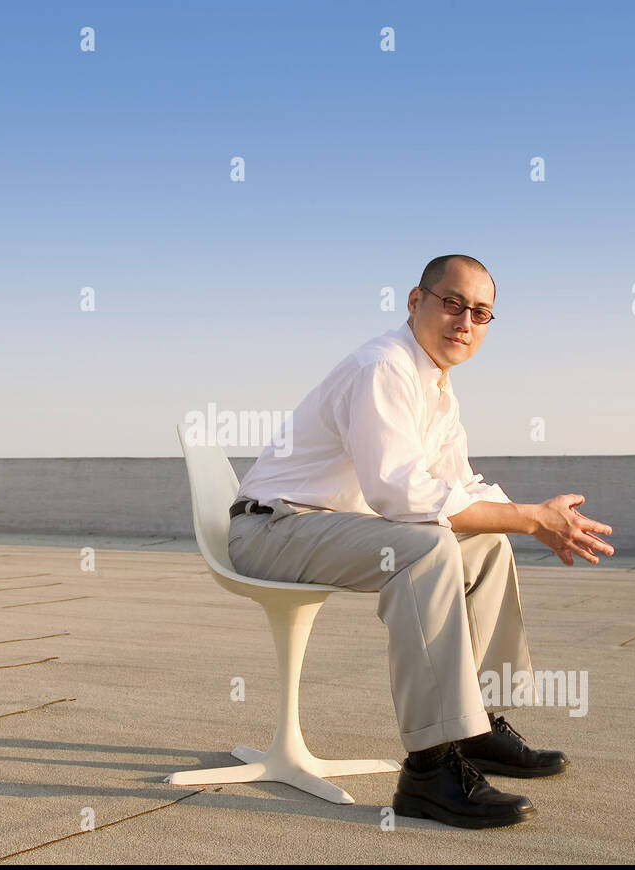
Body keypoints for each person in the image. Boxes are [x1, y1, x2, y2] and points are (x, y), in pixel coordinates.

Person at [227, 253, 615, 829]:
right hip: (272, 529)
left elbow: (456, 487)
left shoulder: (437, 388)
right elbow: (401, 496)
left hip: (329, 528)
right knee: (427, 546)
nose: (464, 321)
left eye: (480, 313)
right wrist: (530, 517)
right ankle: (429, 769)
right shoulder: (384, 367)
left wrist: (528, 518)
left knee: (484, 545)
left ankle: (475, 728)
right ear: (415, 301)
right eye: (451, 303)